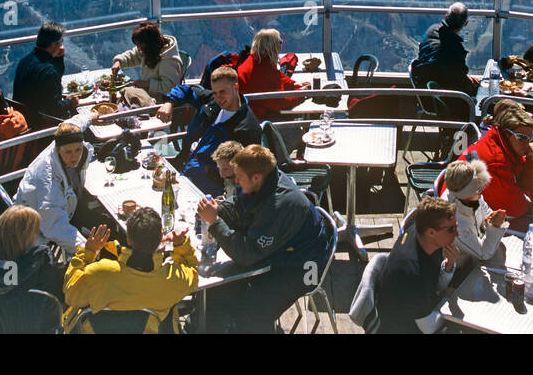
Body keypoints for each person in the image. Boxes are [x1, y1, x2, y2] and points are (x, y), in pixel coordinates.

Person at [197, 144, 334, 333]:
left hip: (304, 268)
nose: (234, 180)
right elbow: (239, 202)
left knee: (252, 312)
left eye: (239, 177)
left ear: (256, 177)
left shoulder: (280, 206)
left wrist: (215, 222)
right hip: (281, 254)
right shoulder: (264, 180)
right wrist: (218, 210)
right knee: (215, 291)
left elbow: (246, 255)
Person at [63, 206, 199, 333]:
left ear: (128, 240)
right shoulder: (171, 279)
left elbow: (70, 294)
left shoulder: (99, 272)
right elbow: (192, 271)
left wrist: (88, 252)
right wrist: (181, 244)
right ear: (160, 240)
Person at [14, 123, 125, 257]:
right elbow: (54, 226)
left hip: (68, 209)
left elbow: (76, 122)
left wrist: (91, 117)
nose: (74, 157)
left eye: (78, 149)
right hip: (38, 228)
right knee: (103, 249)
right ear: (58, 149)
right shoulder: (46, 180)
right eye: (68, 152)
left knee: (109, 226)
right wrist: (87, 249)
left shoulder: (62, 143)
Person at [157, 66, 262, 196]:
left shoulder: (247, 129)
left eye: (223, 91)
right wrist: (169, 102)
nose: (219, 97)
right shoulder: (212, 103)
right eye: (215, 92)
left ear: (236, 88)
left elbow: (247, 173)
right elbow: (187, 90)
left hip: (208, 186)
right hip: (183, 165)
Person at [449, 101, 533, 232]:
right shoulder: (495, 162)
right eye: (522, 137)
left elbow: (531, 187)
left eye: (530, 138)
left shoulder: (505, 146)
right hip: (461, 221)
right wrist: (525, 194)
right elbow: (515, 209)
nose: (528, 144)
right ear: (506, 133)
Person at [372, 196, 460, 334]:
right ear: (431, 232)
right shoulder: (413, 275)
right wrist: (451, 309)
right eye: (452, 229)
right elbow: (428, 327)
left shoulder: (420, 234)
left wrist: (448, 265)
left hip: (420, 311)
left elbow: (435, 285)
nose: (457, 234)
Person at [0, 204, 64, 313]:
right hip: (36, 320)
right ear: (25, 238)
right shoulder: (34, 266)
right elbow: (58, 291)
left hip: (3, 318)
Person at [443, 157, 507, 271]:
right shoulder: (455, 224)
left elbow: (487, 213)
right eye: (478, 189)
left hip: (473, 256)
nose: (481, 191)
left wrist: (492, 220)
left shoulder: (471, 197)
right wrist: (494, 227)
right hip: (459, 271)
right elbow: (484, 254)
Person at [12, 21, 79, 129]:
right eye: (61, 42)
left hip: (22, 118)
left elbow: (55, 82)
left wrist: (59, 58)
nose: (62, 45)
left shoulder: (25, 60)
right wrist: (69, 102)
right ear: (53, 45)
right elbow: (53, 110)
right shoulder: (48, 71)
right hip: (39, 125)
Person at [235, 28, 306, 119]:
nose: (281, 44)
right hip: (258, 118)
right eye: (280, 42)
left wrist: (293, 84)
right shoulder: (260, 70)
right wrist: (301, 93)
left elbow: (277, 75)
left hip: (256, 109)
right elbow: (279, 103)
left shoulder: (257, 60)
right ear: (272, 47)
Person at [413, 2, 477, 98]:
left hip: (424, 87)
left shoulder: (430, 31)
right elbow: (460, 78)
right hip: (447, 96)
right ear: (465, 23)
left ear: (446, 17)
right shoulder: (456, 52)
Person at [110, 22, 186, 101]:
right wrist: (119, 62)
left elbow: (171, 88)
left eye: (141, 46)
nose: (139, 49)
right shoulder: (151, 49)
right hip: (149, 94)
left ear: (149, 45)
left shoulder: (169, 60)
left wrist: (148, 84)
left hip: (160, 101)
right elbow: (133, 55)